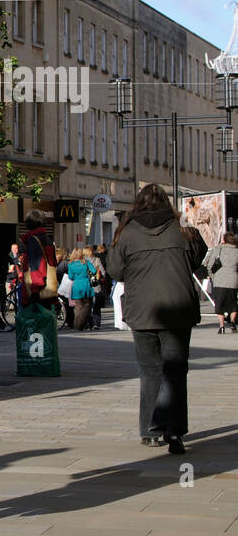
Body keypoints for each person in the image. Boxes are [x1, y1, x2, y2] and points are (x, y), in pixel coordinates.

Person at [106, 183, 206, 455]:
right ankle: (174, 432)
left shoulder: (126, 233)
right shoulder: (183, 230)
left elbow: (115, 271)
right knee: (175, 371)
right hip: (178, 309)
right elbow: (199, 256)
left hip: (142, 311)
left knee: (150, 371)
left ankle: (150, 431)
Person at [18, 210, 57, 308]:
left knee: (35, 319)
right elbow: (53, 262)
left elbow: (37, 264)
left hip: (37, 288)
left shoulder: (33, 240)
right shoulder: (47, 239)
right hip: (47, 287)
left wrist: (35, 289)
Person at [203, 233, 238, 333]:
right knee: (233, 304)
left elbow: (209, 265)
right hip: (234, 280)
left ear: (224, 240)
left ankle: (222, 326)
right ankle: (232, 322)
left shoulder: (218, 249)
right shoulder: (237, 251)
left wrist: (214, 276)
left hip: (219, 280)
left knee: (219, 304)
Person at [67, 246, 97, 331]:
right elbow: (94, 271)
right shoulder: (86, 262)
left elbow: (70, 277)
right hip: (86, 285)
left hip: (76, 286)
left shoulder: (71, 264)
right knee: (87, 305)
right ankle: (79, 324)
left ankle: (78, 326)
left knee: (78, 307)